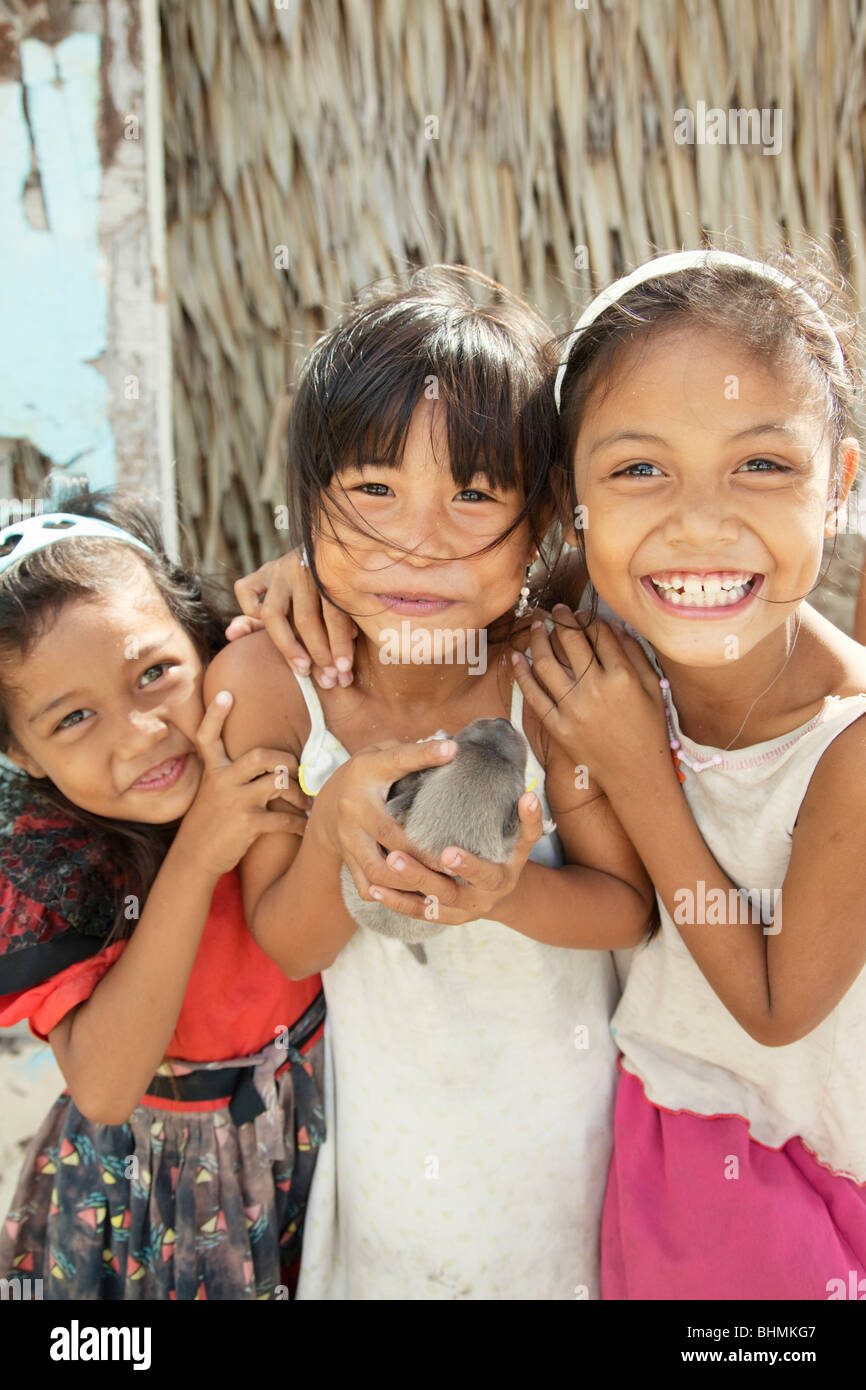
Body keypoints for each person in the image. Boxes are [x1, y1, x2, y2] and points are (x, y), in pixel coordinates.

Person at [206, 266, 654, 1300]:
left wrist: (508, 895)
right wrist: (331, 829)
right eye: (371, 490)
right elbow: (287, 937)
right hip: (387, 1165)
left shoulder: (552, 681)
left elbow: (624, 908)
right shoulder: (271, 685)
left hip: (560, 1151)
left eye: (471, 494)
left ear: (540, 513)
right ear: (305, 502)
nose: (417, 537)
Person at [511, 247, 866, 1299]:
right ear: (570, 498)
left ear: (838, 483)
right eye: (635, 469)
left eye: (759, 465)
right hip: (670, 1146)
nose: (698, 522)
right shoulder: (597, 643)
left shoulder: (847, 743)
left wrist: (633, 768)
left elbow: (772, 1004)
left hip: (816, 1174)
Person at [0, 491, 324, 1299]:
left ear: (200, 636)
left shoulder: (271, 733)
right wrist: (196, 859)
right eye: (73, 718)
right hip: (158, 1195)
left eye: (154, 673)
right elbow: (106, 1087)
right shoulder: (59, 868)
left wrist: (312, 579)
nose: (140, 731)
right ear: (20, 752)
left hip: (317, 1137)